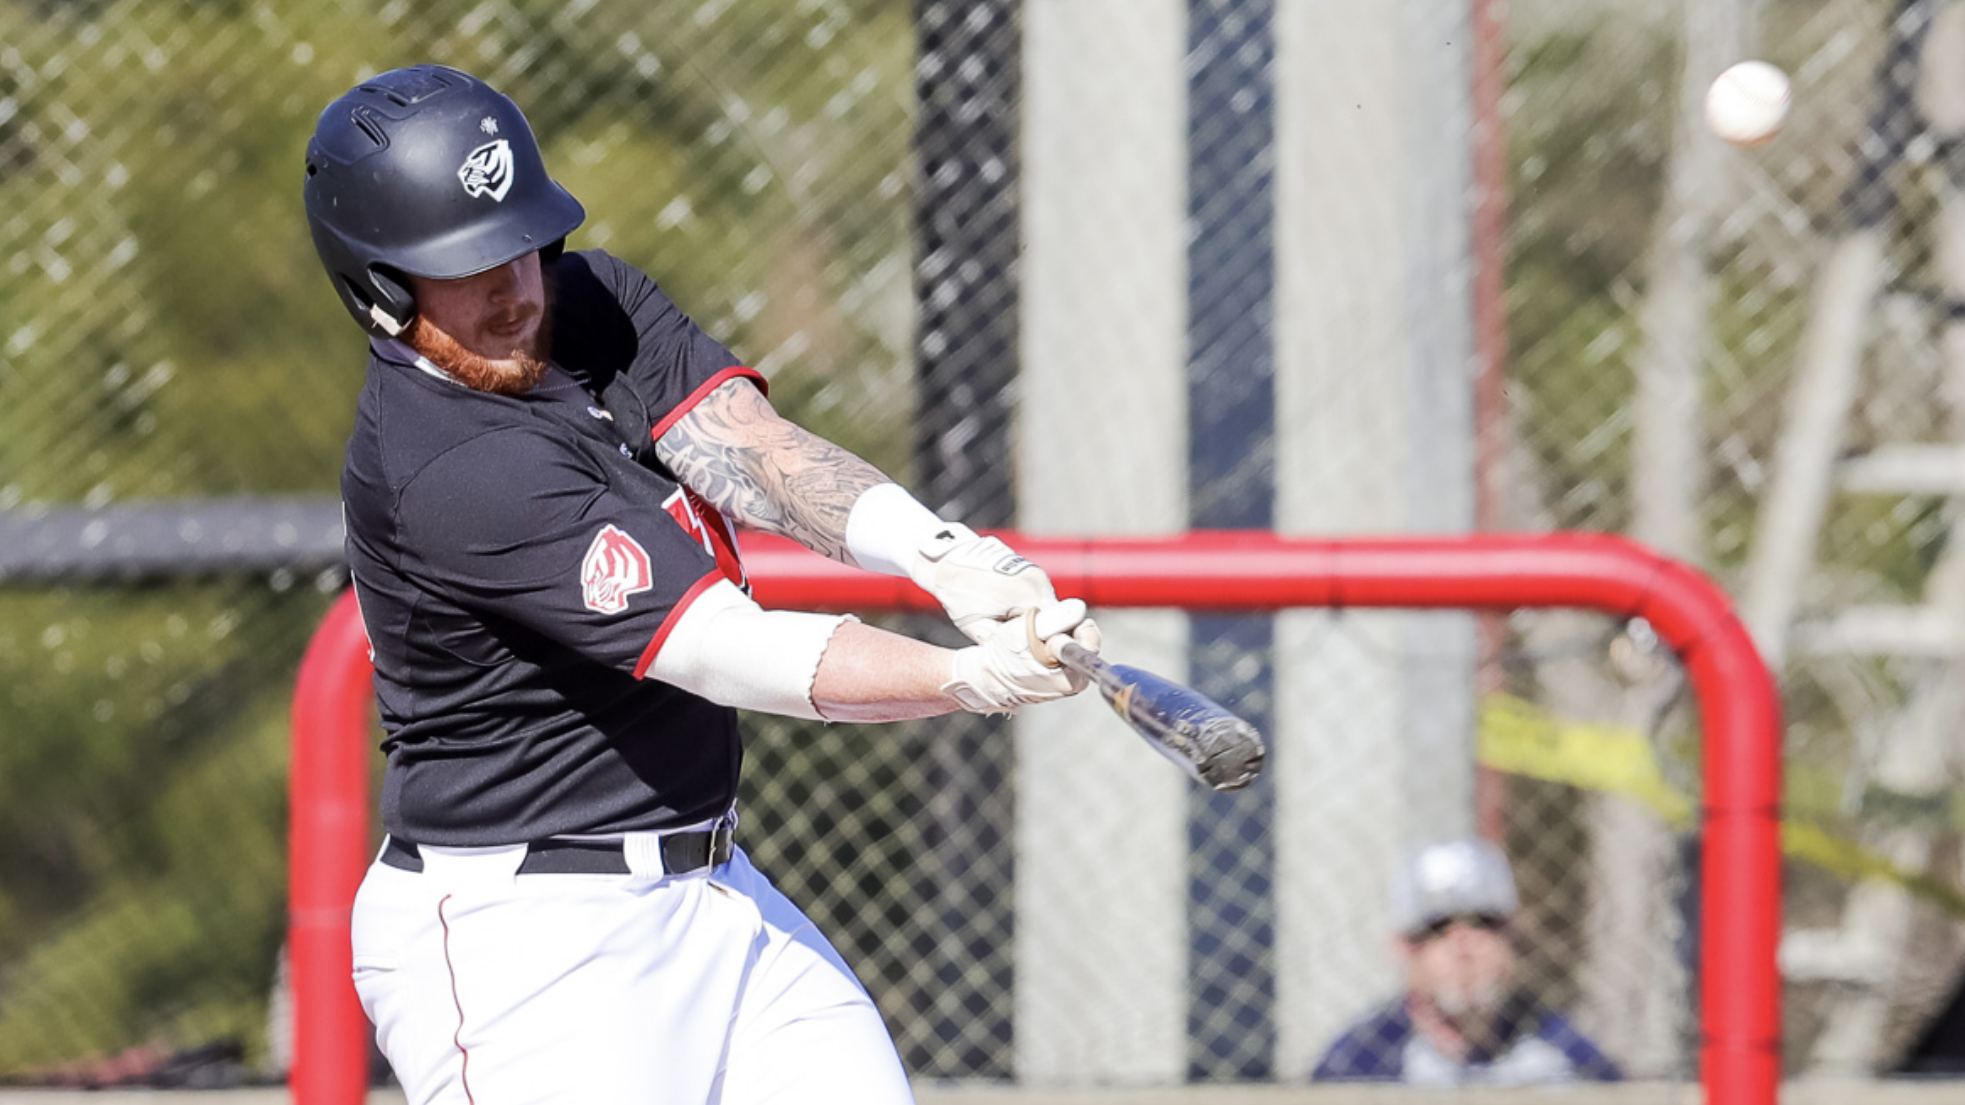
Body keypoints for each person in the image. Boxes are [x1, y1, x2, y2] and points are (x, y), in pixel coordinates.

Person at [302, 64, 1099, 1105]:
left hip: (713, 890)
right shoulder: (448, 466)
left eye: (522, 243)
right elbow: (734, 649)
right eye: (468, 265)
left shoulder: (583, 305)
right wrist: (966, 678)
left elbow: (752, 450)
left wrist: (942, 551)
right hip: (529, 950)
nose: (515, 288)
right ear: (381, 288)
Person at [1312, 836, 1622, 1087]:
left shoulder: (1562, 1049)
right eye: (1437, 928)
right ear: (1402, 948)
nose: (1464, 946)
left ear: (1513, 939)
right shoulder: (1361, 1060)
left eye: (1483, 923)